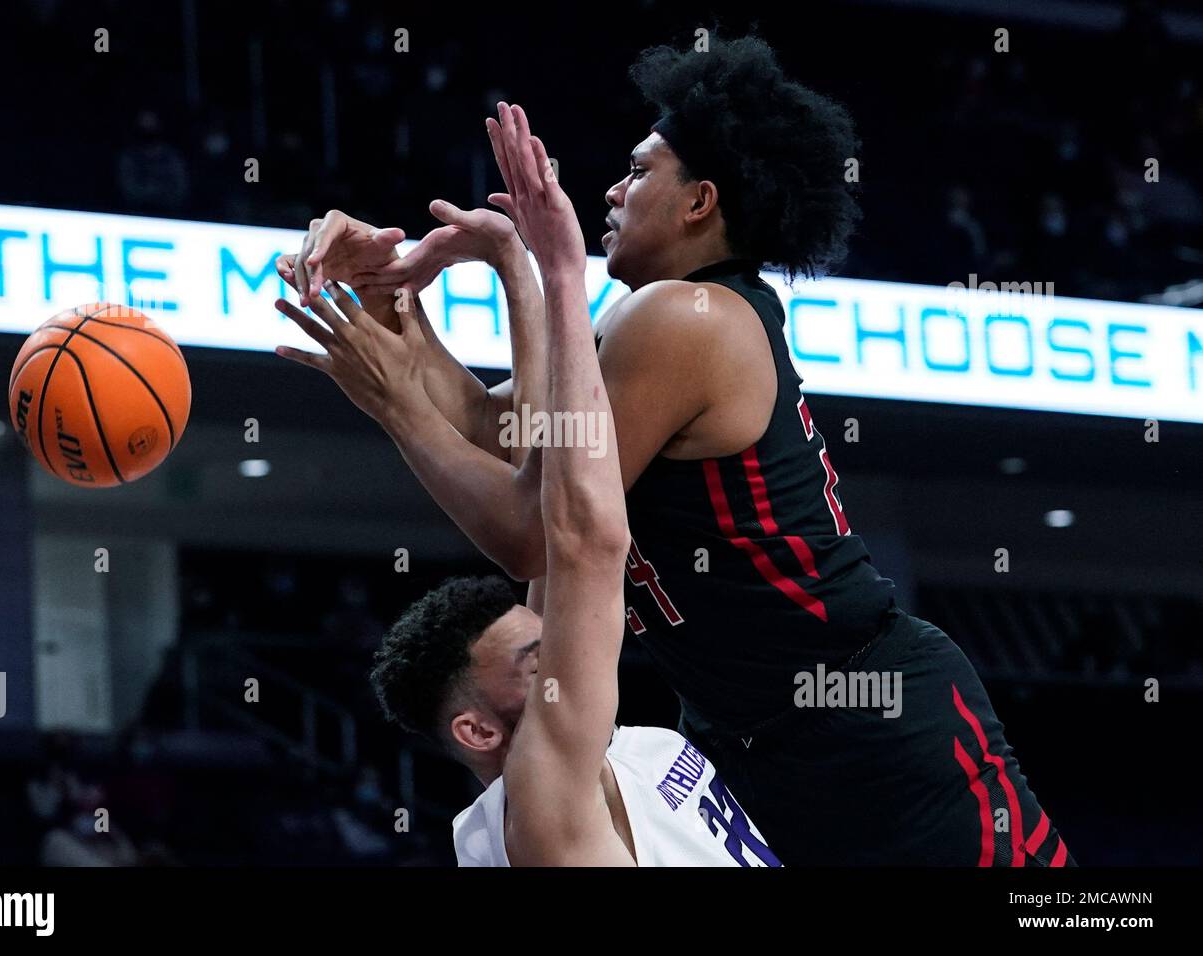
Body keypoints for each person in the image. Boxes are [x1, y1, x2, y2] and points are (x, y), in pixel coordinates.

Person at [275, 36, 1069, 867]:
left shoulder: (687, 319)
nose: (613, 191)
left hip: (868, 720)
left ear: (700, 203)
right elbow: (493, 426)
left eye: (638, 171)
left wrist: (399, 397)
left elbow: (530, 529)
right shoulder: (642, 320)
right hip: (753, 737)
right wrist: (384, 292)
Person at [286, 135, 779, 864]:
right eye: (535, 658)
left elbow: (549, 512)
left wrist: (515, 270)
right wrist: (556, 270)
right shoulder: (541, 812)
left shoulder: (634, 749)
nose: (573, 645)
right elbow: (582, 541)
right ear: (480, 732)